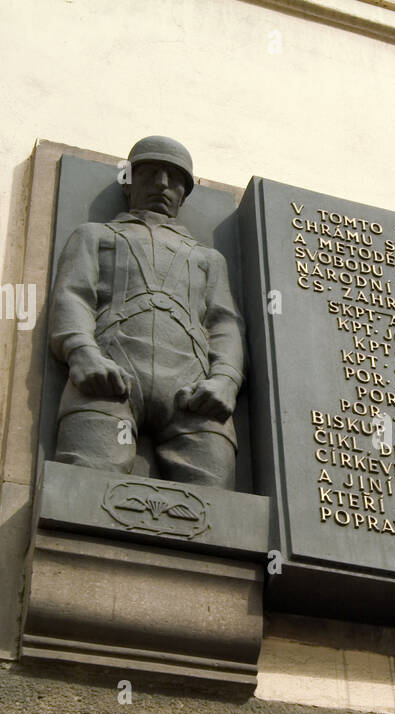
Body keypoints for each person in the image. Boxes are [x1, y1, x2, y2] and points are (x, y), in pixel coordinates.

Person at [48, 135, 245, 488]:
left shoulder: (208, 259)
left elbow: (224, 324)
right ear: (128, 183)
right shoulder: (95, 236)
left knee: (218, 508)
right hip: (111, 376)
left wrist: (226, 381)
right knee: (82, 489)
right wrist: (82, 353)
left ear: (185, 193)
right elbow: (73, 297)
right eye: (151, 173)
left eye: (174, 178)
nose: (162, 185)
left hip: (192, 391)